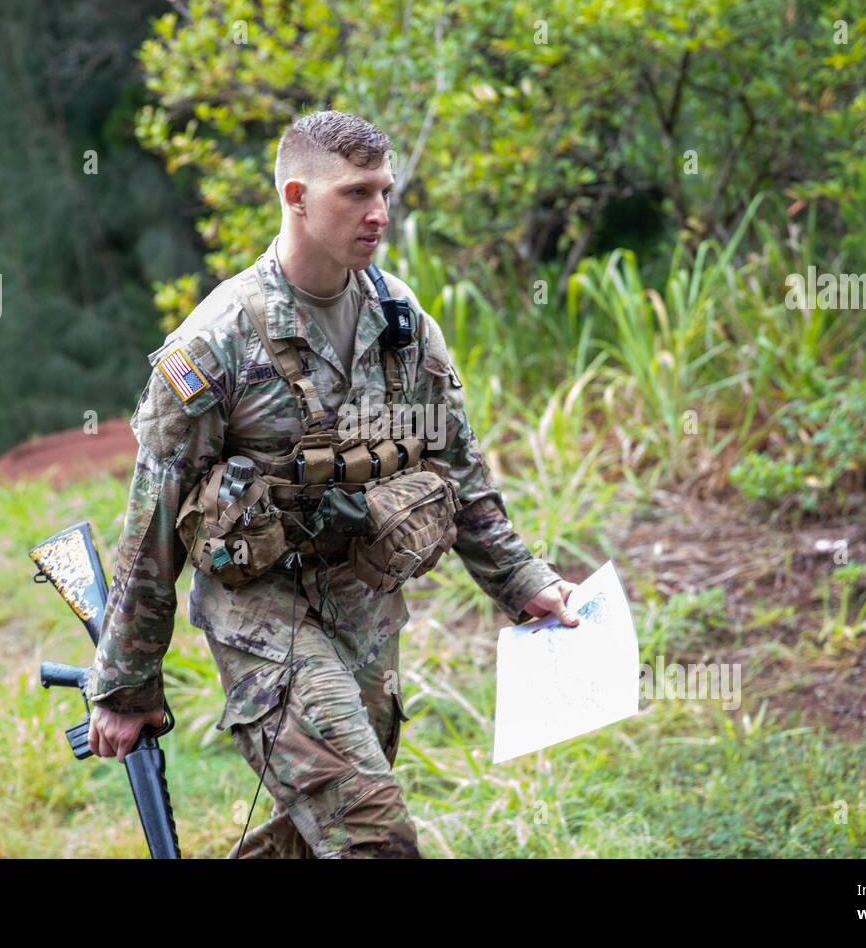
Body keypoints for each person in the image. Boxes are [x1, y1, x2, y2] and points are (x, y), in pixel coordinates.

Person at [85, 110, 579, 858]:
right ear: (297, 196)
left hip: (365, 610)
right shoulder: (216, 342)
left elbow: (455, 463)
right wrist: (126, 688)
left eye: (384, 190)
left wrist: (520, 581)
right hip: (263, 617)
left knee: (324, 837)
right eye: (355, 193)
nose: (379, 212)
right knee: (374, 836)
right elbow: (151, 525)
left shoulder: (400, 318)